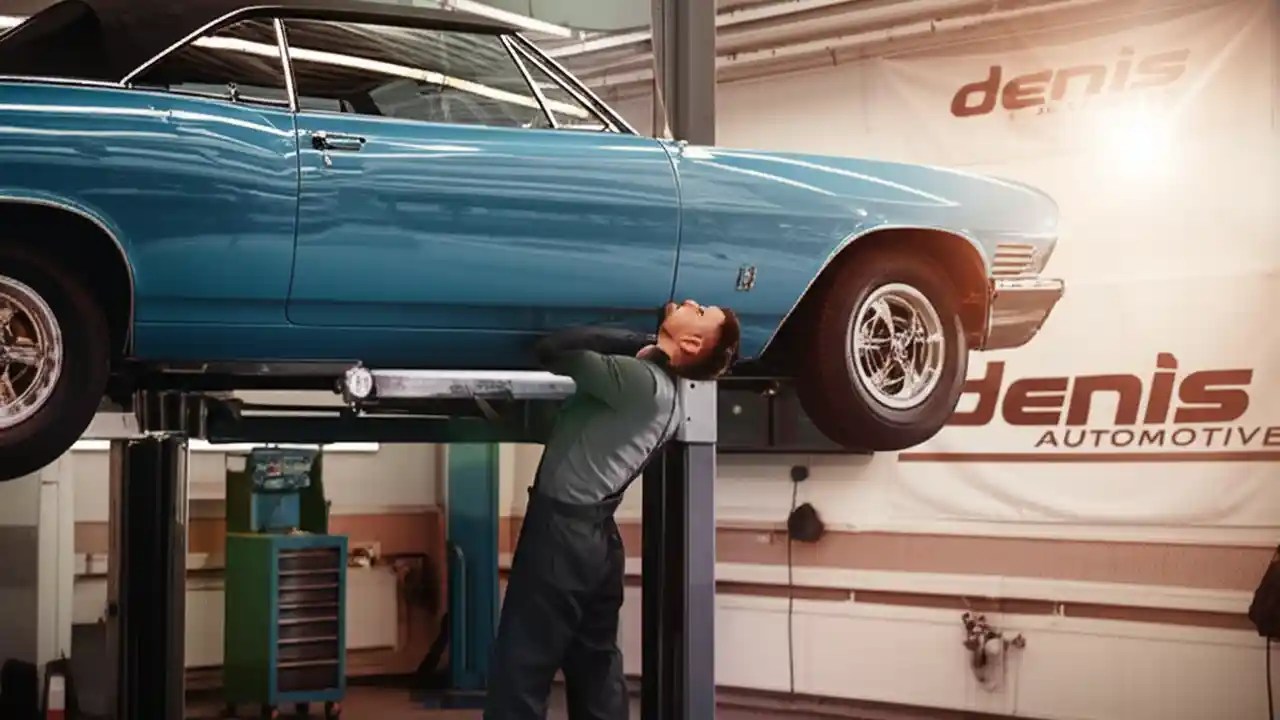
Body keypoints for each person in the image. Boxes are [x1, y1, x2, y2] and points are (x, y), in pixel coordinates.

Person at [484, 299, 741, 720]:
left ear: (691, 343)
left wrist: (637, 336)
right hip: (596, 538)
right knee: (595, 663)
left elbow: (556, 349)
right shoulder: (668, 396)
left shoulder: (641, 381)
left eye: (699, 311)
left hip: (563, 534)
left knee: (522, 660)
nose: (691, 301)